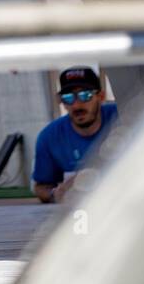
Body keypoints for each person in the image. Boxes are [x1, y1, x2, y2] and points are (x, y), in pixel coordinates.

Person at [31, 67, 119, 204]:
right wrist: (56, 193)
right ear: (61, 101)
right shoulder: (50, 137)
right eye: (68, 98)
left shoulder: (123, 117)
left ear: (101, 97)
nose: (77, 105)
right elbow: (41, 187)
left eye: (85, 96)